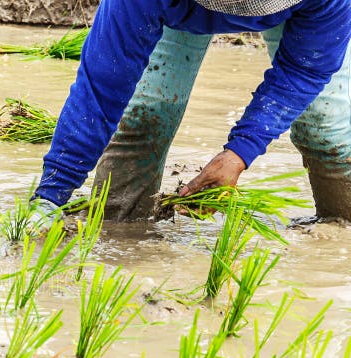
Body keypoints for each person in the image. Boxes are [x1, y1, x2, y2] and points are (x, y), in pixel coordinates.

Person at [30, 0, 351, 227]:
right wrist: (50, 196)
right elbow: (102, 90)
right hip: (177, 6)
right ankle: (121, 232)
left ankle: (339, 229)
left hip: (303, 10)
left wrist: (239, 153)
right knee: (145, 117)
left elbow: (304, 71)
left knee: (326, 130)